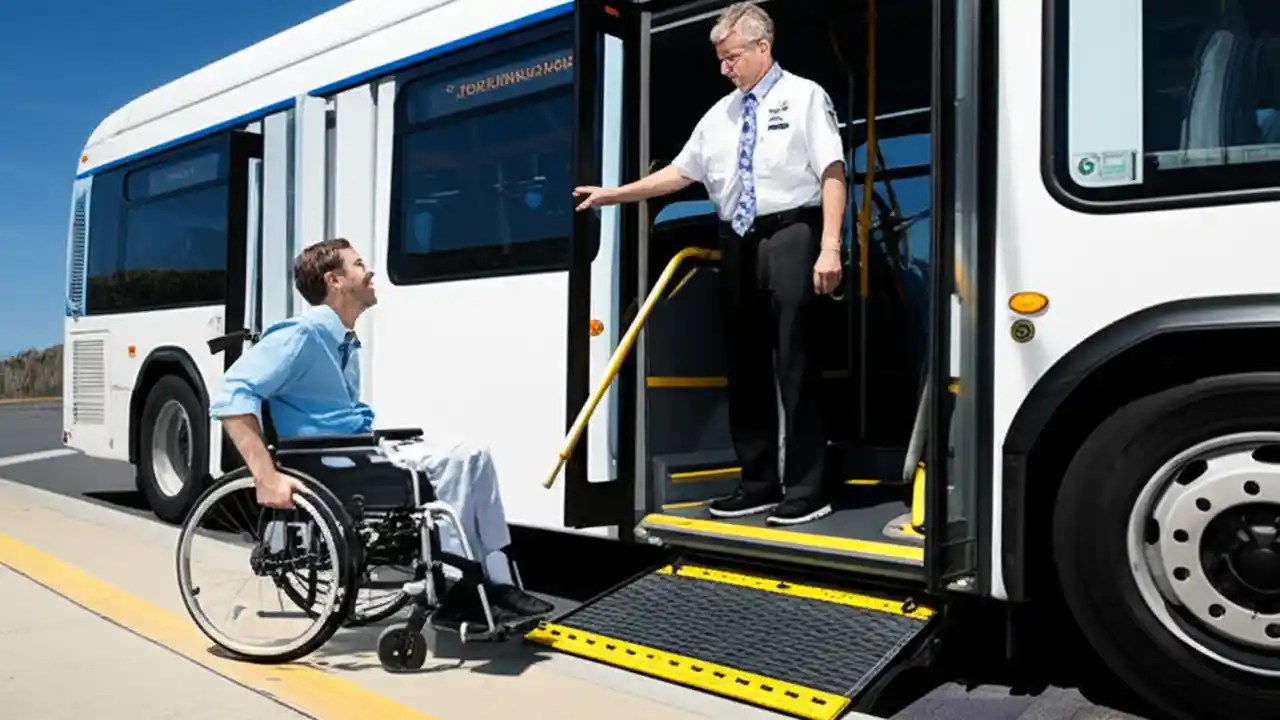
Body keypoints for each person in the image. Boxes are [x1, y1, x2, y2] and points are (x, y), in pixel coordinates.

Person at [573, 2, 847, 527]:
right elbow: (678, 175)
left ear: (762, 48)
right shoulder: (718, 116)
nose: (724, 68)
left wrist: (829, 245)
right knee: (743, 366)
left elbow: (832, 171)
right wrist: (614, 195)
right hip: (737, 241)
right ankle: (760, 482)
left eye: (731, 57)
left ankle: (810, 488)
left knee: (794, 360)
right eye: (721, 59)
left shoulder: (805, 96)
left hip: (792, 231)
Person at [208, 237, 554, 620]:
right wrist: (266, 476)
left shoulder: (344, 341)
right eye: (358, 265)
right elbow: (232, 395)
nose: (369, 271)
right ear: (335, 281)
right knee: (457, 461)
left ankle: (496, 577)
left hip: (355, 450)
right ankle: (458, 581)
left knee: (476, 456)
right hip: (332, 461)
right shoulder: (300, 336)